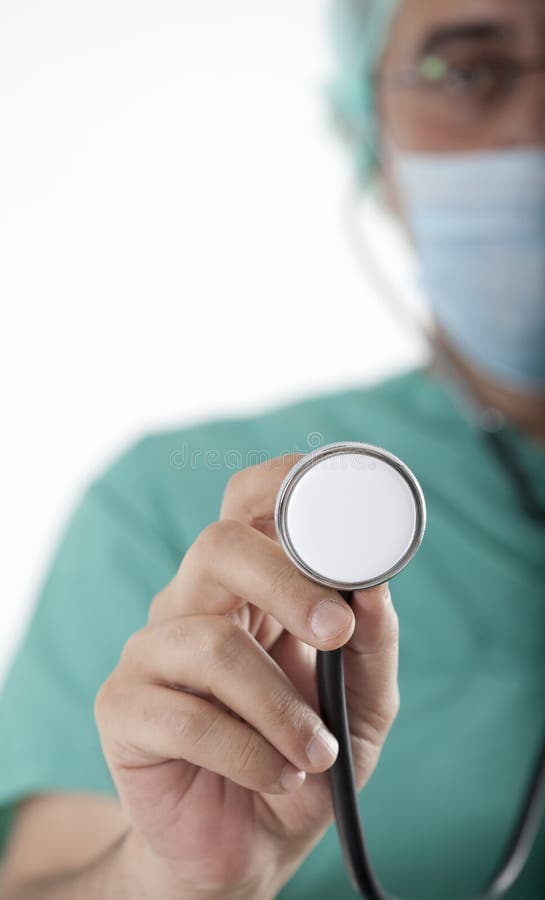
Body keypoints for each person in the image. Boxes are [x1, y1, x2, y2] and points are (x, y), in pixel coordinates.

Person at [0, 0, 544, 897]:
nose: (533, 129)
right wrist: (174, 880)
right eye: (464, 72)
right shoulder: (178, 510)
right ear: (373, 140)